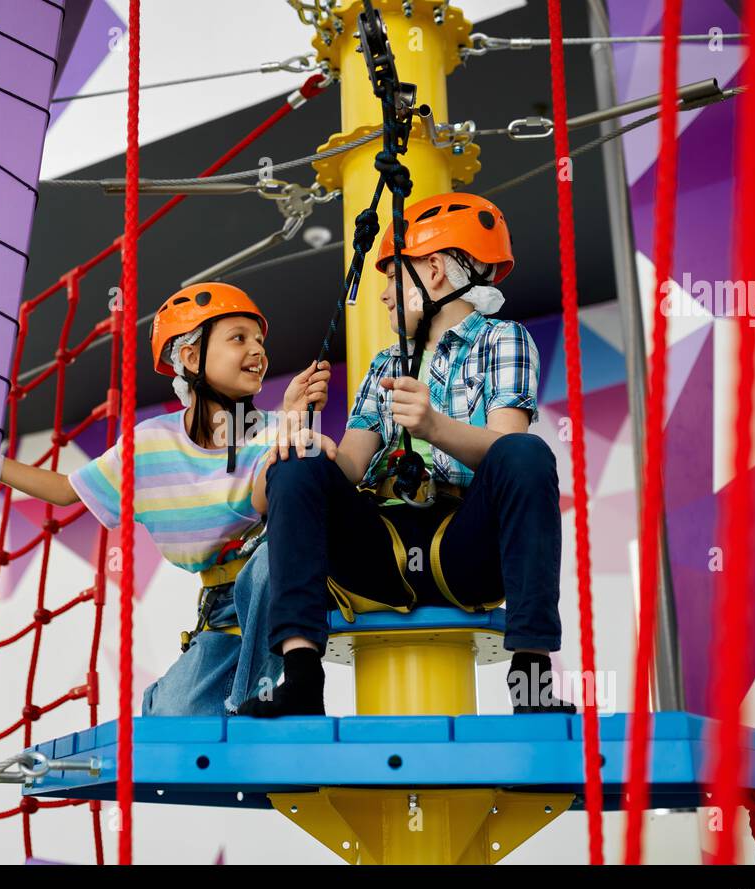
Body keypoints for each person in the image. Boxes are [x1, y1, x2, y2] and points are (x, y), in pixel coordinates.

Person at [235, 192, 576, 717]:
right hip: (382, 550)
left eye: (394, 278)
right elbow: (348, 468)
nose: (385, 297)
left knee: (527, 454)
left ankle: (531, 675)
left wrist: (435, 427)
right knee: (299, 464)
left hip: (467, 549)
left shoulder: (504, 341)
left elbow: (506, 446)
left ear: (435, 270)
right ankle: (301, 675)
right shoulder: (384, 364)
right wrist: (302, 431)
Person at [0, 281, 330, 716]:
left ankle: (249, 708)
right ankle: (199, 702)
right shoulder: (151, 444)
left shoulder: (274, 428)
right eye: (238, 338)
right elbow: (64, 492)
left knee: (267, 565)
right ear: (190, 357)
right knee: (172, 716)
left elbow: (279, 494)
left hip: (281, 584)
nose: (258, 351)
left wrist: (291, 424)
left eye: (260, 340)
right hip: (221, 605)